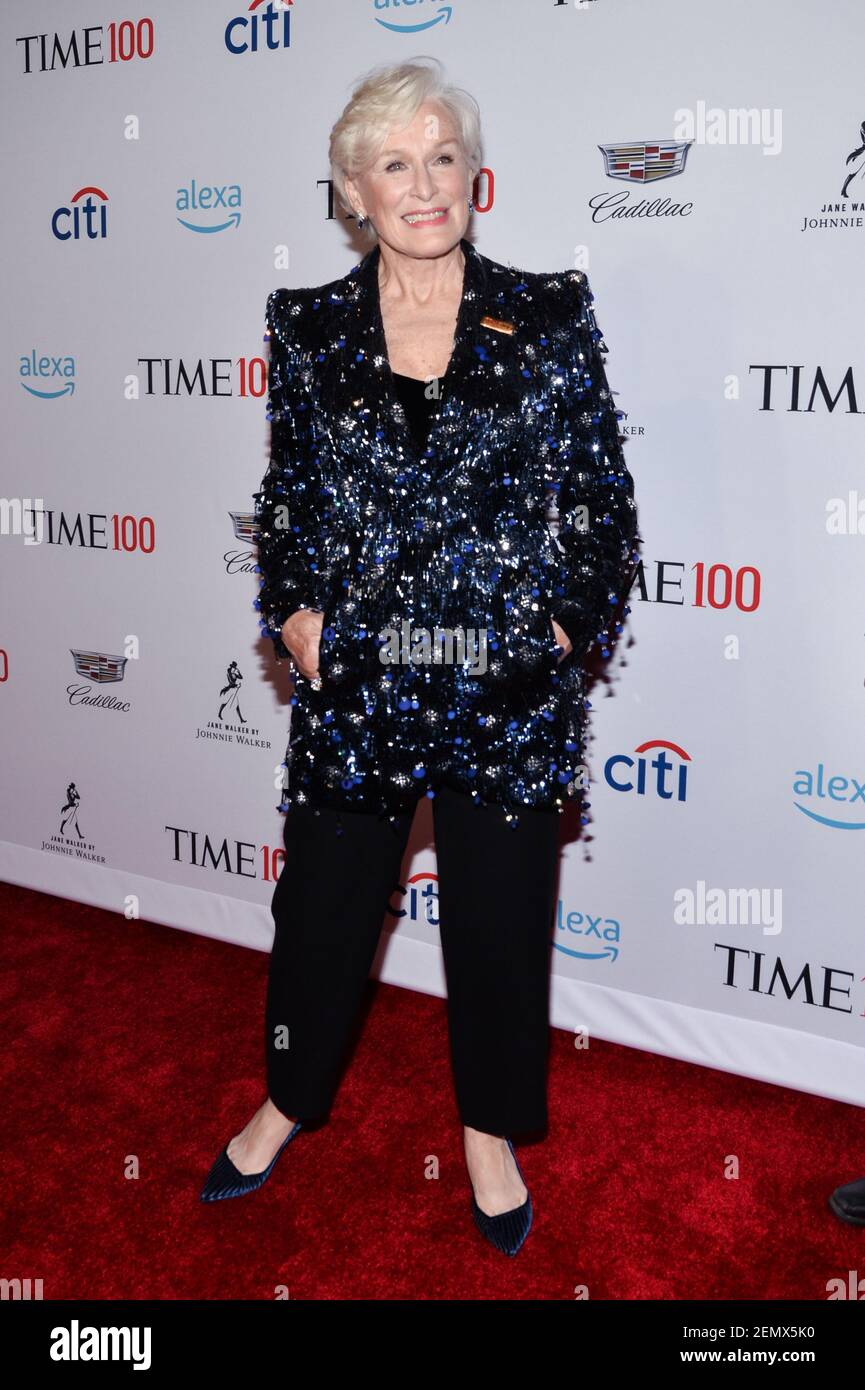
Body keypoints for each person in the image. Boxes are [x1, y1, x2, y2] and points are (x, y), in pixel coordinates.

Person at [200, 56, 639, 1257]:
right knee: (322, 912)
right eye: (395, 163)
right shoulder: (305, 325)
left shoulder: (546, 310)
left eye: (442, 157)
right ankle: (288, 1098)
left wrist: (560, 628)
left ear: (473, 176)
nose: (424, 183)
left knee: (499, 920)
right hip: (359, 681)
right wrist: (291, 606)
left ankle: (490, 1130)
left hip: (501, 682)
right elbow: (289, 493)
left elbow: (602, 502)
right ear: (352, 192)